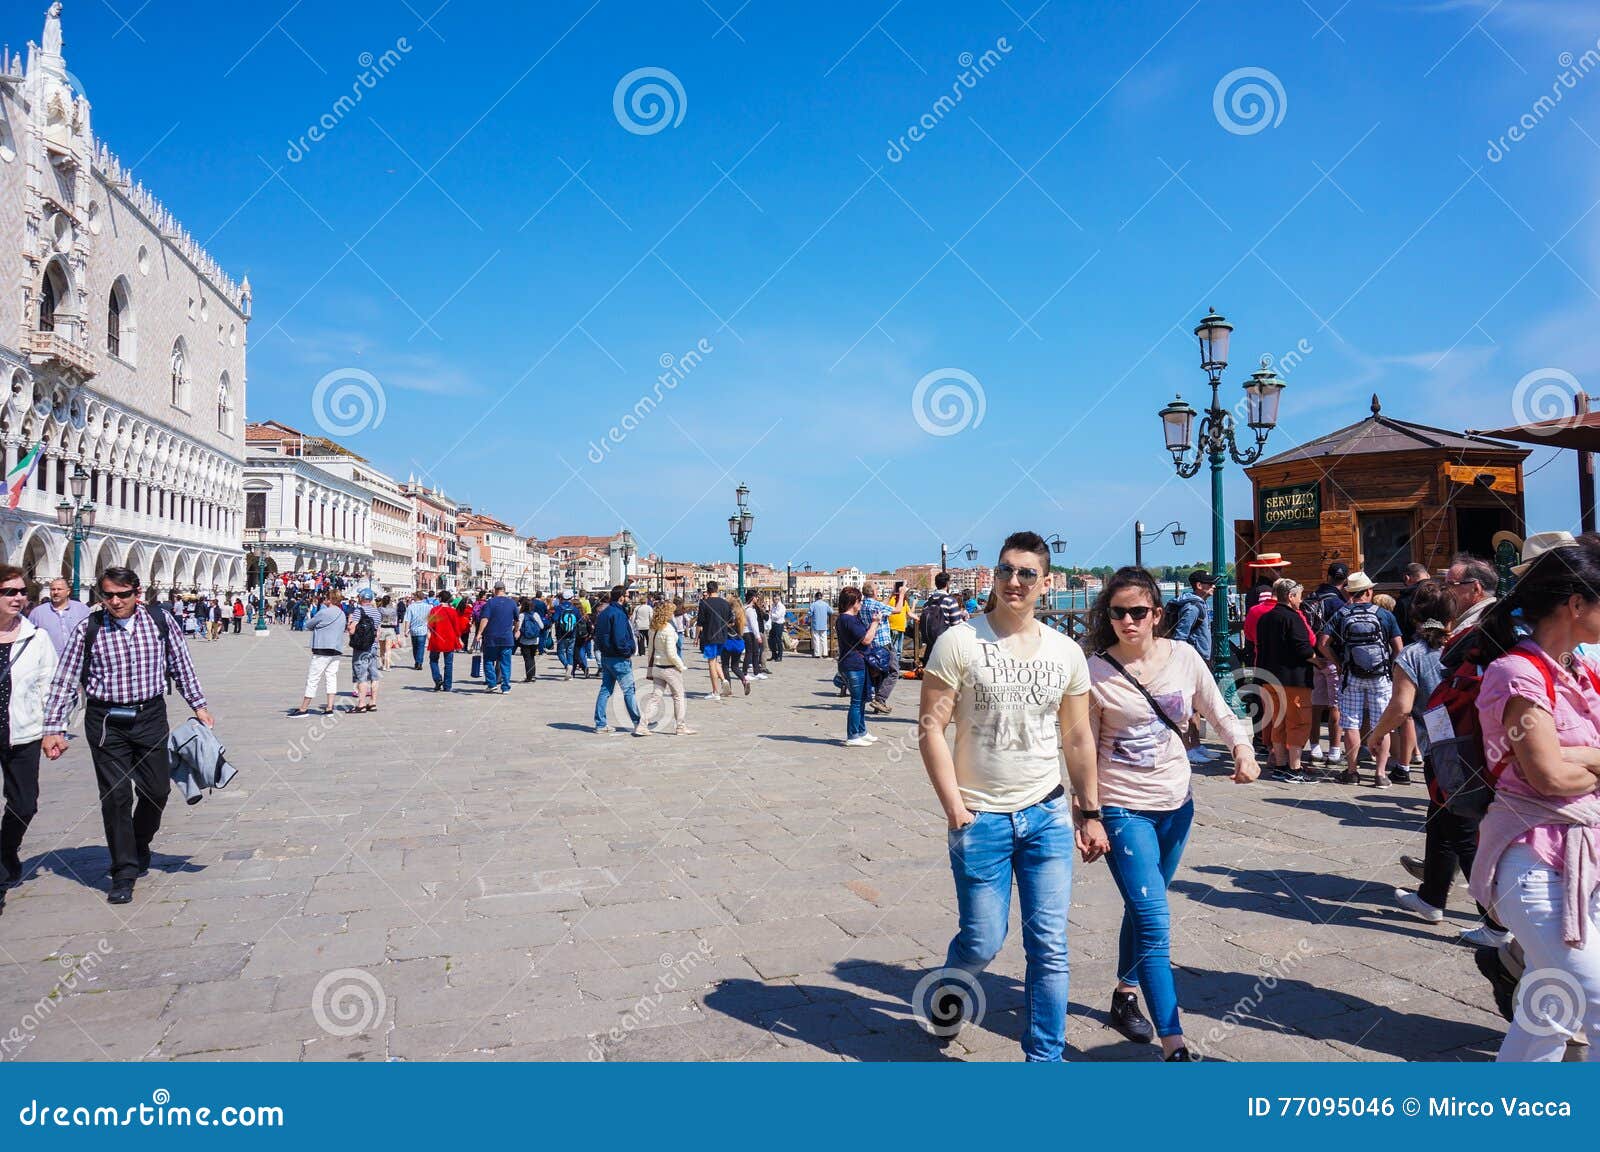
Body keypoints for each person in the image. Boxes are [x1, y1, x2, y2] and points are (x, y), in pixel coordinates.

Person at [917, 533, 1103, 1062]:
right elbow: (931, 726)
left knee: (1049, 947)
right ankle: (951, 989)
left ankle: (1044, 1060)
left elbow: (1077, 737)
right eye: (1005, 571)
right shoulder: (959, 641)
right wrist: (955, 807)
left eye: (1026, 574)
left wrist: (1089, 812)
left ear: (1046, 583)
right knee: (982, 940)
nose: (1014, 582)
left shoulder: (1066, 652)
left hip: (1044, 813)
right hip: (981, 817)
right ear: (994, 578)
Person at [1085, 566, 1256, 1060]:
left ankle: (1124, 993)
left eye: (1138, 611)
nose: (1128, 620)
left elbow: (1218, 708)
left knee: (1145, 906)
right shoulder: (1095, 671)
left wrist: (1242, 749)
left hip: (1176, 805)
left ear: (1157, 614)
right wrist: (1088, 813)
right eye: (1118, 613)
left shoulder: (1183, 656)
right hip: (1122, 807)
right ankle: (1174, 1043)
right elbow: (1082, 748)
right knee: (1155, 920)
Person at [1461, 533, 1600, 1061]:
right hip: (1533, 862)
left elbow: (1567, 767)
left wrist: (1580, 760)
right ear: (1577, 604)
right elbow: (1548, 778)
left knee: (1552, 1010)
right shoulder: (1517, 672)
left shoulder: (1579, 671)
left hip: (1582, 860)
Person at [40, 566, 213, 906]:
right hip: (106, 721)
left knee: (157, 790)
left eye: (122, 594)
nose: (115, 601)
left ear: (138, 593)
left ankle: (139, 841)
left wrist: (199, 704)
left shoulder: (160, 623)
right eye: (108, 595)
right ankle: (124, 871)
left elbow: (181, 664)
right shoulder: (88, 628)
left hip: (149, 715)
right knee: (116, 796)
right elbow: (64, 679)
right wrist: (53, 729)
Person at [0, 566, 59, 916]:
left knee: (24, 805)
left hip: (22, 733)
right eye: (9, 592)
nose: (18, 597)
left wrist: (53, 730)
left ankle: (5, 852)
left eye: (22, 591)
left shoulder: (36, 638)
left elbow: (49, 686)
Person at [1318, 571, 1402, 786]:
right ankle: (1380, 774)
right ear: (1368, 591)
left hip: (1351, 675)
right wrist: (1389, 666)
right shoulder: (1384, 615)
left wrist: (1338, 663)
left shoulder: (1341, 613)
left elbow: (1323, 643)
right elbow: (1398, 648)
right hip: (1380, 677)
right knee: (1381, 725)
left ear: (1350, 593)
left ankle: (1352, 771)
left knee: (1351, 724)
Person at [1254, 578, 1318, 784]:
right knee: (1298, 723)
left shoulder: (1265, 618)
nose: (1301, 600)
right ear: (1290, 596)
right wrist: (1320, 662)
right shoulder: (1293, 618)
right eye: (1299, 596)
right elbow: (1304, 649)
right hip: (1293, 680)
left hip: (1269, 677)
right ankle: (1294, 768)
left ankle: (1280, 766)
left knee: (1278, 723)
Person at [1169, 569, 1217, 766]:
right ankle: (1188, 748)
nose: (1213, 586)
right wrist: (1186, 660)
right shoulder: (1193, 608)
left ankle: (1196, 745)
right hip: (1191, 662)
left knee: (1196, 705)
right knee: (1188, 706)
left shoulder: (1200, 605)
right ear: (1199, 586)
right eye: (1209, 583)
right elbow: (1180, 636)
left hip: (1198, 660)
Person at [1305, 560, 1349, 764]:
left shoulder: (1312, 596)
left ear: (1328, 576)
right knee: (1335, 706)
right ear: (1345, 579)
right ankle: (1334, 750)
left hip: (1314, 659)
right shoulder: (1339, 603)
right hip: (1332, 658)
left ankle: (1314, 747)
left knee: (1316, 705)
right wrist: (1338, 662)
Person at [639, 601, 694, 736]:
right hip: (669, 668)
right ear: (668, 614)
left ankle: (642, 725)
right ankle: (680, 727)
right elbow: (671, 653)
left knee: (655, 697)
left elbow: (650, 650)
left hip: (657, 666)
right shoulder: (668, 629)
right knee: (678, 696)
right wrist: (681, 666)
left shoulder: (653, 628)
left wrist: (650, 667)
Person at [293, 589, 350, 715]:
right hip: (336, 650)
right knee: (331, 678)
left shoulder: (324, 612)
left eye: (326, 598)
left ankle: (304, 708)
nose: (324, 599)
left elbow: (308, 624)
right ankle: (329, 707)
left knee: (313, 678)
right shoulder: (341, 614)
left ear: (330, 599)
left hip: (322, 649)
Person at [593, 585, 642, 734]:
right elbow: (620, 638)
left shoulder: (604, 613)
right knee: (629, 690)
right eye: (627, 596)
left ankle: (600, 723)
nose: (628, 599)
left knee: (605, 689)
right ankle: (638, 722)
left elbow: (598, 635)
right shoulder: (618, 614)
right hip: (619, 658)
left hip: (606, 656)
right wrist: (627, 652)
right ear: (621, 597)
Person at [834, 587, 879, 746]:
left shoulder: (843, 618)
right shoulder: (849, 619)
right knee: (856, 700)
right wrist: (875, 623)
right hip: (854, 664)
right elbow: (866, 639)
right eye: (859, 601)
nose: (861, 604)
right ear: (852, 602)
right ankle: (853, 735)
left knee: (861, 700)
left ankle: (861, 731)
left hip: (852, 663)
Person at [862, 582, 901, 713]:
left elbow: (882, 605)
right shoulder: (876, 605)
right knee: (894, 671)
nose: (878, 591)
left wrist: (891, 595)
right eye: (877, 589)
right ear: (873, 592)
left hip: (871, 643)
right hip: (883, 643)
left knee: (881, 672)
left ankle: (878, 703)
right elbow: (898, 610)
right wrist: (901, 595)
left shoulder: (863, 605)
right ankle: (880, 699)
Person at [27, 577, 91, 655]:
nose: (56, 592)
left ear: (68, 592)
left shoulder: (82, 610)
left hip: (77, 661)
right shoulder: (37, 613)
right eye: (53, 589)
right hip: (49, 662)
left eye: (59, 589)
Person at [475, 581, 518, 695]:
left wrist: (479, 633)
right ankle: (505, 687)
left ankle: (492, 684)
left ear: (495, 590)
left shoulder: (489, 603)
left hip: (491, 637)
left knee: (488, 660)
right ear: (504, 589)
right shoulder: (512, 603)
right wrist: (516, 630)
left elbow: (485, 619)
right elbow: (517, 620)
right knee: (505, 663)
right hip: (507, 638)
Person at [697, 581, 737, 699]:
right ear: (717, 589)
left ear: (708, 590)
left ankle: (715, 692)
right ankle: (724, 680)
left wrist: (696, 638)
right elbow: (731, 621)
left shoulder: (704, 603)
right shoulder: (725, 603)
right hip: (722, 636)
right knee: (715, 661)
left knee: (711, 662)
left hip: (710, 636)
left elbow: (699, 623)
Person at [918, 571, 968, 665]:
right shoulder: (950, 600)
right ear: (947, 584)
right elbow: (957, 624)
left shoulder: (927, 602)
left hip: (930, 644)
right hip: (945, 643)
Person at [347, 588, 384, 713]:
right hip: (373, 647)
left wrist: (349, 627)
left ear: (361, 598)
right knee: (374, 676)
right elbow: (378, 632)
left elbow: (352, 630)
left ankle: (361, 704)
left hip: (361, 648)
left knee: (361, 676)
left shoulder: (358, 611)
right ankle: (372, 703)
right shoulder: (377, 613)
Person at [427, 592, 463, 692]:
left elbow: (430, 624)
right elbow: (456, 627)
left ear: (440, 598)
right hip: (449, 639)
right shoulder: (452, 611)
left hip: (437, 638)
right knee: (448, 663)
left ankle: (438, 679)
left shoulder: (435, 610)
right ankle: (447, 685)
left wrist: (429, 634)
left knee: (433, 660)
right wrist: (459, 639)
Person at [515, 596, 544, 683]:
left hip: (524, 640)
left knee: (527, 659)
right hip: (535, 640)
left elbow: (518, 627)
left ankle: (529, 677)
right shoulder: (535, 614)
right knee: (532, 657)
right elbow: (542, 626)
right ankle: (533, 675)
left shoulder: (521, 615)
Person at [403, 592, 433, 670]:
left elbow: (407, 619)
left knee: (415, 647)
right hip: (423, 630)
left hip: (413, 630)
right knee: (421, 647)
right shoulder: (428, 607)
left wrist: (405, 631)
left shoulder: (411, 607)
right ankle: (419, 662)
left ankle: (417, 661)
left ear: (416, 597)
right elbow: (431, 618)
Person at [808, 592, 832, 659]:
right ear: (821, 597)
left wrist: (810, 615)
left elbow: (809, 613)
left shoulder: (813, 604)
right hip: (824, 624)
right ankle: (825, 653)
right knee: (824, 639)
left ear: (815, 597)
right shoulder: (825, 604)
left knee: (816, 639)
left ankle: (817, 654)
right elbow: (831, 611)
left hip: (815, 624)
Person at [631, 594, 654, 663]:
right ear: (646, 601)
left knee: (640, 640)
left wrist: (633, 624)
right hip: (647, 625)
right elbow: (651, 617)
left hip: (639, 626)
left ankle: (642, 652)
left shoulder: (637, 608)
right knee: (649, 639)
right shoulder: (649, 608)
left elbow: (633, 617)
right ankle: (650, 651)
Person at [769, 592, 787, 663]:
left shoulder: (781, 606)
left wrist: (770, 614)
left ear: (779, 598)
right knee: (771, 640)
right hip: (773, 624)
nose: (775, 599)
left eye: (776, 598)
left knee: (778, 640)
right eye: (774, 597)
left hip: (779, 624)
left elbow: (777, 616)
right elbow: (773, 615)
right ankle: (774, 655)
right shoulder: (774, 605)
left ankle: (780, 656)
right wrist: (771, 615)